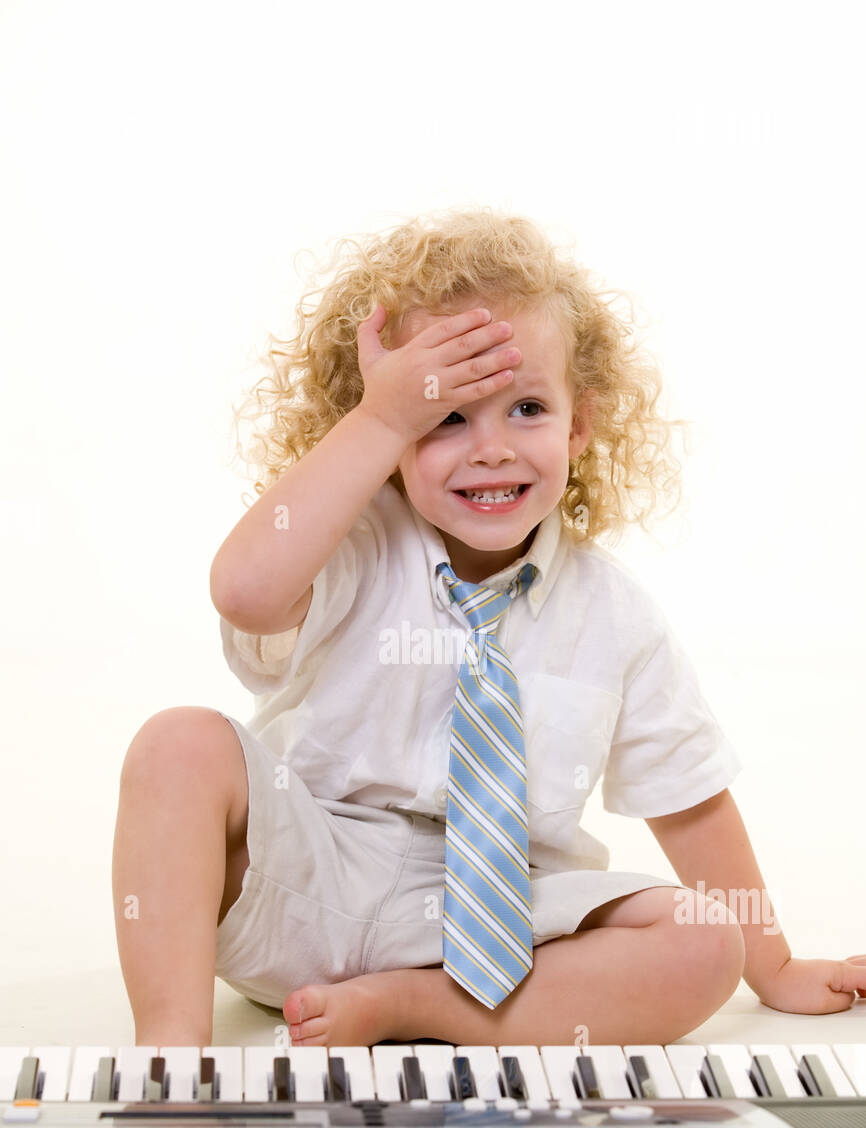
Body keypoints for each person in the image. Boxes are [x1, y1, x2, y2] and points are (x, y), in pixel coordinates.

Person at [112, 208, 866, 1048]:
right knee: (177, 743)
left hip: (504, 927)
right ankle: (171, 1050)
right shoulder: (352, 547)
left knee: (701, 942)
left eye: (528, 408)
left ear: (579, 425)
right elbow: (245, 593)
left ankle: (410, 1006)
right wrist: (381, 420)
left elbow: (689, 800)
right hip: (310, 884)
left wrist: (776, 967)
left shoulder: (614, 615)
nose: (492, 449)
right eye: (445, 418)